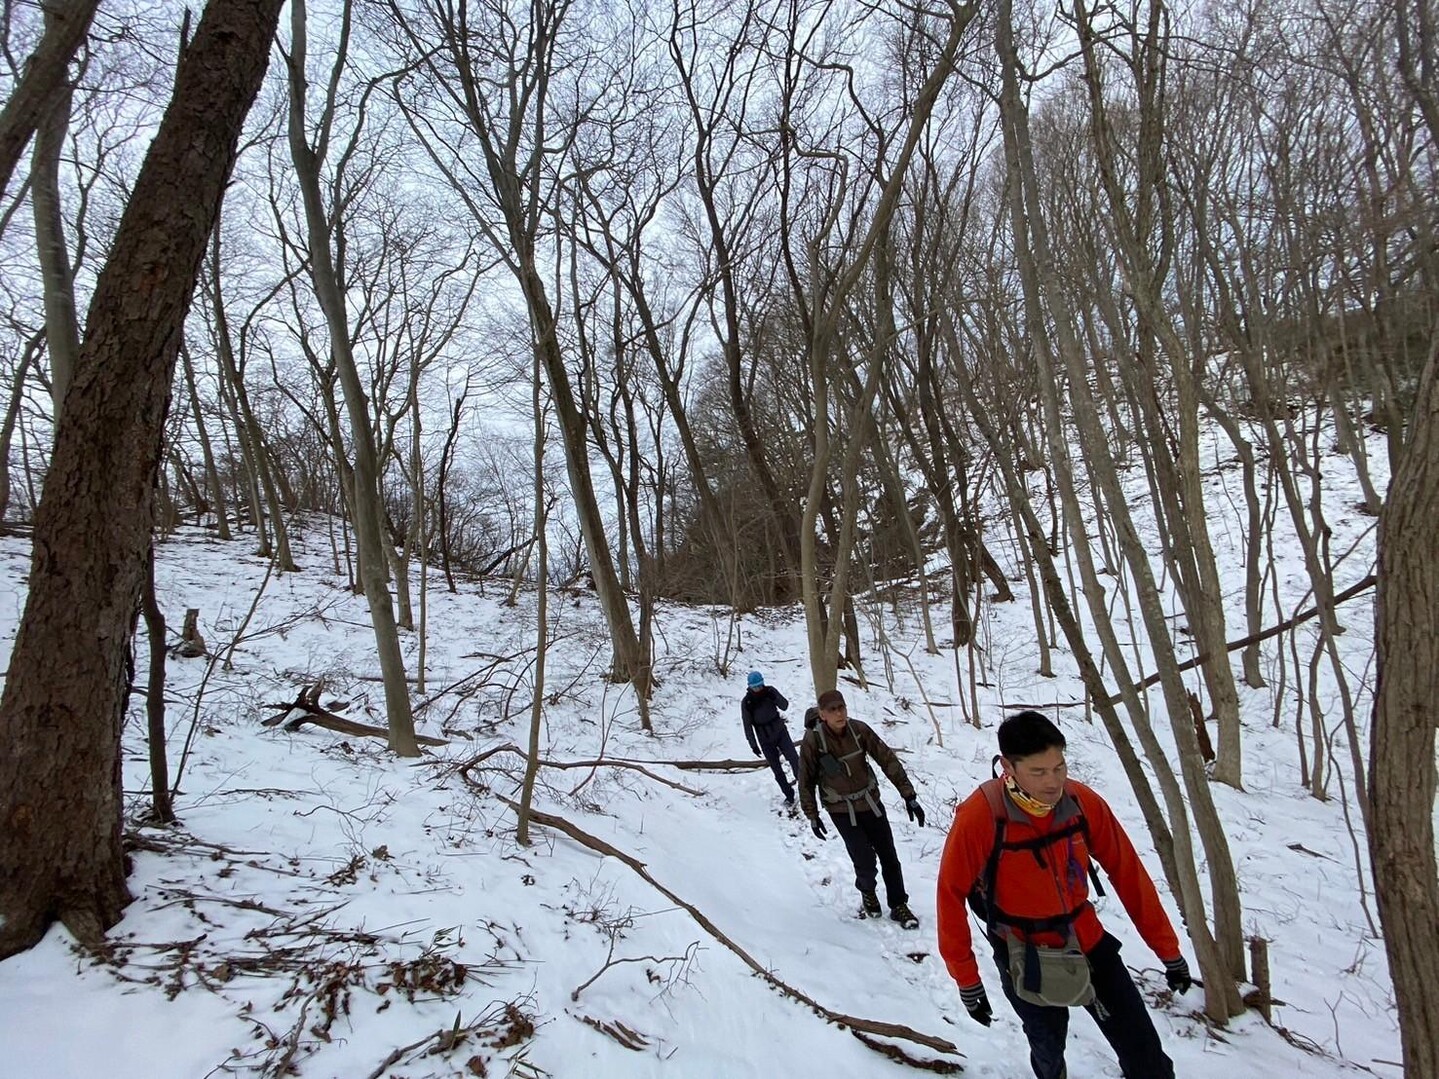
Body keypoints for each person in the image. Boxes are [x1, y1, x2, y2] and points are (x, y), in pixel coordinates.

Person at [936, 710, 1193, 1079]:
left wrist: (1168, 951)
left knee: (1146, 1055)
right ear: (1008, 766)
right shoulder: (981, 816)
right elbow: (950, 894)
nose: (1053, 782)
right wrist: (967, 980)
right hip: (1023, 952)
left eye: (1059, 767)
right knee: (1048, 1048)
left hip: (1087, 940)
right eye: (1038, 772)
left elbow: (1128, 873)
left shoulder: (1081, 803)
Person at [798, 688, 925, 928]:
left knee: (889, 855)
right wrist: (812, 815)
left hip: (870, 802)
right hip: (841, 809)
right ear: (822, 714)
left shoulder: (859, 730)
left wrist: (908, 795)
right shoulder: (814, 741)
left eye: (842, 707)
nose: (839, 714)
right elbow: (805, 779)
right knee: (864, 858)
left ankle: (899, 905)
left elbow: (887, 759)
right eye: (833, 710)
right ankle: (867, 891)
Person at [741, 671, 800, 804]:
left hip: (780, 731)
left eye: (760, 685)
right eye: (755, 687)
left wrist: (775, 697)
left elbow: (784, 706)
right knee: (776, 769)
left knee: (794, 759)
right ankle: (788, 794)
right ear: (749, 686)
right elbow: (747, 725)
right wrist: (753, 744)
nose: (758, 689)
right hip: (764, 738)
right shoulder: (747, 702)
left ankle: (804, 788)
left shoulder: (770, 691)